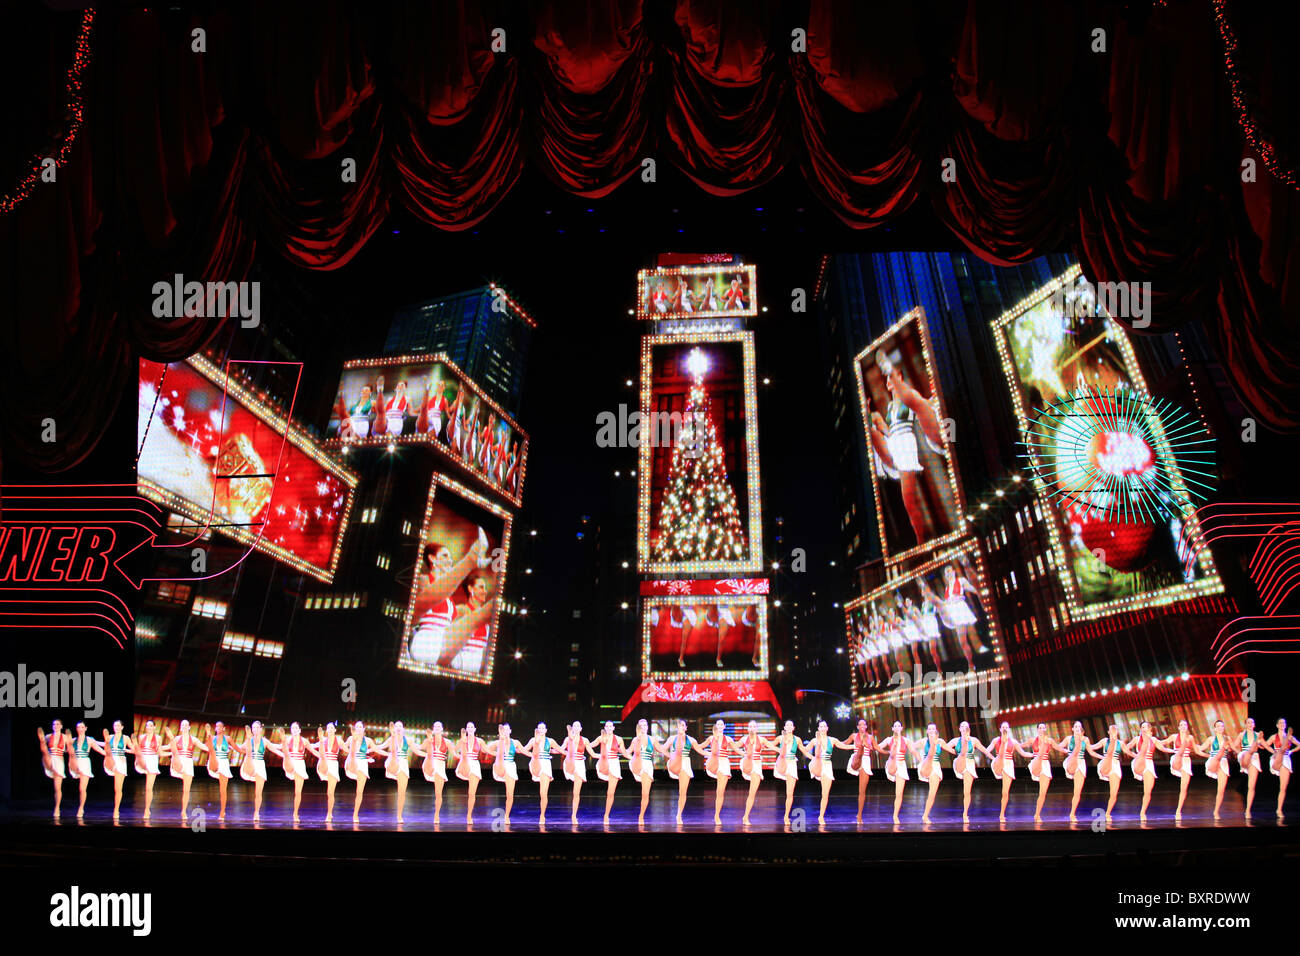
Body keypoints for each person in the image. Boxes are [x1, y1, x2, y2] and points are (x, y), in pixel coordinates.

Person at [1121, 721, 1170, 822]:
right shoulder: (1137, 739)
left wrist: (1174, 751)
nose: (1144, 728)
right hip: (1139, 761)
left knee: (1148, 791)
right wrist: (1134, 755)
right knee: (1142, 753)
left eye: (1146, 727)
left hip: (1149, 763)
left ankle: (1142, 812)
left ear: (1150, 729)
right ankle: (1140, 757)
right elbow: (1125, 748)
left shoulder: (1154, 740)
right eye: (1142, 727)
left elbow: (1163, 748)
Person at [948, 720, 994, 824]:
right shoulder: (955, 741)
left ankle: (965, 813)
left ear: (969, 729)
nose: (964, 728)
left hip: (969, 765)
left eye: (966, 726)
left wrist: (993, 758)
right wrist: (954, 752)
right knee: (962, 755)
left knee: (967, 792)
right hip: (959, 762)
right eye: (962, 726)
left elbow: (984, 750)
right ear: (960, 729)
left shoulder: (974, 740)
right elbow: (945, 746)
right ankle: (961, 754)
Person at [989, 721, 1032, 823]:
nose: (1005, 729)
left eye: (1006, 727)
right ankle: (999, 758)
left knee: (1005, 792)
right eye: (1003, 727)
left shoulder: (1014, 742)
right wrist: (992, 758)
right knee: (1000, 756)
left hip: (1008, 764)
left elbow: (1023, 753)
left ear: (1008, 729)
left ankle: (1002, 814)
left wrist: (1036, 755)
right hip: (998, 761)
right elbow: (987, 750)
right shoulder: (996, 740)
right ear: (1000, 729)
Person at [166, 719, 209, 821]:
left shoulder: (193, 739)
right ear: (181, 727)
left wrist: (215, 747)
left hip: (188, 764)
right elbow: (168, 747)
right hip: (178, 761)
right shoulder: (176, 739)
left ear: (189, 727)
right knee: (175, 753)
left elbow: (205, 747)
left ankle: (184, 811)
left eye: (186, 725)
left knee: (186, 790)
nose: (184, 727)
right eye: (182, 725)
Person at [734, 720, 775, 827]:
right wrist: (743, 753)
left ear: (757, 728)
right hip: (747, 763)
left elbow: (773, 747)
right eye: (750, 726)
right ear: (748, 729)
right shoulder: (744, 739)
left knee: (752, 793)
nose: (752, 728)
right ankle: (746, 816)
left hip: (756, 766)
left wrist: (786, 752)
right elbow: (733, 746)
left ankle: (746, 816)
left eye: (754, 726)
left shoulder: (761, 739)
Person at [520, 722, 561, 824]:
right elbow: (523, 750)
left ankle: (542, 815)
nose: (541, 730)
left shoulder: (550, 741)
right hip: (536, 763)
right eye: (539, 728)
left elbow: (560, 750)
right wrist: (531, 755)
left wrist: (552, 752)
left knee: (543, 793)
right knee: (536, 757)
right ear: (537, 730)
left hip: (546, 765)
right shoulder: (533, 740)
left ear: (546, 730)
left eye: (543, 728)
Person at [1193, 719, 1235, 819]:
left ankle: (1216, 812)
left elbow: (1234, 748)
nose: (1220, 728)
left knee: (1221, 790)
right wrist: (1206, 754)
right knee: (1217, 757)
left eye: (1222, 726)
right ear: (1215, 729)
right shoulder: (1211, 739)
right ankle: (1220, 752)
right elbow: (1199, 750)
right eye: (1218, 726)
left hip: (1223, 763)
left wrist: (1241, 753)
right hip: (1213, 761)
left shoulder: (1227, 739)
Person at [343, 720, 383, 823]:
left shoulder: (368, 740)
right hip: (352, 761)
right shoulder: (351, 738)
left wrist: (389, 754)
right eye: (357, 727)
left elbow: (377, 749)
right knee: (354, 761)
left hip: (362, 764)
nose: (358, 729)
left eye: (360, 727)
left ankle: (355, 814)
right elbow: (343, 746)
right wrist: (351, 752)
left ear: (364, 729)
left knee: (359, 791)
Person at [702, 719, 741, 826]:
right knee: (718, 791)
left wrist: (745, 754)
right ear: (716, 726)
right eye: (717, 724)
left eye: (721, 724)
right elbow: (700, 747)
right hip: (714, 762)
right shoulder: (711, 738)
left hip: (724, 764)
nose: (719, 726)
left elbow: (736, 749)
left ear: (724, 726)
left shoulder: (728, 739)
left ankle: (717, 815)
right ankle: (717, 815)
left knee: (720, 792)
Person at [664, 720, 703, 825]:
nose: (681, 727)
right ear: (677, 727)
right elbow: (662, 749)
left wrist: (712, 754)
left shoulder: (691, 740)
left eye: (683, 725)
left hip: (685, 763)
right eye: (679, 725)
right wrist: (670, 756)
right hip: (675, 762)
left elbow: (700, 750)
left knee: (683, 792)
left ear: (686, 728)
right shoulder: (672, 739)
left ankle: (679, 815)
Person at [914, 723, 954, 825]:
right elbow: (911, 747)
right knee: (930, 756)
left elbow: (952, 750)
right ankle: (932, 747)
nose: (931, 730)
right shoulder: (923, 741)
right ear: (927, 731)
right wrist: (919, 759)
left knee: (932, 794)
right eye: (929, 729)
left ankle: (925, 815)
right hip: (926, 764)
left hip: (935, 767)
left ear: (936, 732)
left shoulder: (940, 741)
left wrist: (963, 750)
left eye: (933, 729)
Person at [625, 718, 662, 826]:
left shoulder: (652, 739)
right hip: (637, 763)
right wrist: (627, 755)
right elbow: (627, 752)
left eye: (645, 725)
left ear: (647, 727)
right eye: (641, 726)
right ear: (638, 728)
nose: (643, 727)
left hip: (647, 766)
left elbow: (661, 749)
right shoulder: (635, 740)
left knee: (645, 794)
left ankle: (641, 816)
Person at [377, 721, 416, 823]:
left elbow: (417, 750)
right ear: (394, 729)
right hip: (393, 761)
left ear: (403, 728)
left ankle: (399, 816)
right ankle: (393, 756)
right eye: (396, 726)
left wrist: (429, 754)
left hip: (403, 764)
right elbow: (380, 747)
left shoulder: (408, 739)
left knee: (401, 792)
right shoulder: (391, 739)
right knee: (393, 754)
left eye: (400, 726)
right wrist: (368, 749)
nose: (398, 727)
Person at [1053, 721, 1091, 822]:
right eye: (1076, 726)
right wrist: (1059, 748)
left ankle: (1072, 813)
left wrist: (1103, 756)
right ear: (1073, 729)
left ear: (1081, 729)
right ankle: (1074, 753)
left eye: (1079, 726)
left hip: (1081, 763)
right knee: (1074, 754)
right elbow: (1058, 746)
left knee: (1077, 791)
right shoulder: (1069, 739)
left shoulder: (1085, 739)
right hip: (1070, 761)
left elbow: (1091, 750)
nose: (1078, 728)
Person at [487, 723, 525, 825]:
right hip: (500, 764)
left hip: (511, 766)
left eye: (507, 730)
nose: (506, 732)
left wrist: (538, 755)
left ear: (510, 731)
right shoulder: (497, 742)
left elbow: (525, 751)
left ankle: (506, 816)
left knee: (510, 795)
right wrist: (497, 754)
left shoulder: (515, 742)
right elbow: (486, 749)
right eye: (504, 730)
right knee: (500, 750)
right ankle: (499, 759)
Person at [560, 722, 597, 824]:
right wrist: (547, 750)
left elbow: (593, 754)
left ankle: (574, 815)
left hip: (580, 765)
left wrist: (604, 755)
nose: (576, 728)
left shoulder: (585, 740)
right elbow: (560, 749)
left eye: (577, 726)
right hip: (570, 762)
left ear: (580, 728)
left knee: (576, 793)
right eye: (574, 726)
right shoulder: (568, 739)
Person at [877, 720, 913, 825]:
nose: (897, 727)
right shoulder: (889, 739)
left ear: (901, 728)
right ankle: (892, 755)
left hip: (901, 765)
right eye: (895, 726)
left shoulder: (906, 740)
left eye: (899, 726)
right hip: (892, 763)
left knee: (899, 793)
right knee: (893, 757)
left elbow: (913, 750)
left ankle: (895, 815)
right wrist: (886, 752)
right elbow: (878, 747)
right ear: (893, 729)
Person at [1086, 725, 1125, 822]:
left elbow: (1130, 752)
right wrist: (1083, 742)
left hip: (1115, 766)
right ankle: (1108, 757)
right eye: (1111, 730)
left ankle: (1108, 813)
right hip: (1106, 763)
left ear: (1117, 732)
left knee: (1114, 793)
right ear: (1108, 732)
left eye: (1115, 730)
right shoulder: (1104, 741)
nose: (1113, 731)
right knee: (1109, 756)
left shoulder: (1121, 743)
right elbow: (1092, 747)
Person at [1160, 719, 1196, 821]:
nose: (1183, 726)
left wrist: (1209, 754)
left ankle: (1178, 810)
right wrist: (1153, 741)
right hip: (1177, 759)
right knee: (1179, 755)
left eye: (1185, 724)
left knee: (1184, 788)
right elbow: (1163, 742)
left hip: (1186, 761)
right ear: (1179, 727)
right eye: (1181, 725)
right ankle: (1179, 753)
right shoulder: (1174, 737)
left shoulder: (1191, 738)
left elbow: (1197, 749)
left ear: (1187, 727)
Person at [592, 721, 625, 825]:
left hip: (614, 764)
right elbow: (589, 745)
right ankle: (606, 815)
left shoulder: (619, 739)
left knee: (610, 793)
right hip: (604, 762)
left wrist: (635, 757)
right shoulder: (600, 738)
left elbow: (625, 752)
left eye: (611, 726)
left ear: (613, 728)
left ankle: (606, 815)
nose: (609, 728)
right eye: (607, 726)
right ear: (605, 728)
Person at [418, 721, 452, 824]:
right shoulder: (429, 740)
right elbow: (418, 748)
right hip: (430, 763)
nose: (437, 727)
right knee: (429, 744)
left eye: (439, 726)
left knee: (438, 793)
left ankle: (436, 815)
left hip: (440, 766)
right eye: (435, 726)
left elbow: (455, 752)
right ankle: (430, 758)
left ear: (442, 729)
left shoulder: (447, 742)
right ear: (433, 729)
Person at [454, 721, 488, 825]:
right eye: (468, 727)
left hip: (474, 765)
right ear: (466, 729)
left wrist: (499, 752)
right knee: (470, 792)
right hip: (464, 763)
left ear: (474, 729)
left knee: (471, 793)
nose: (469, 728)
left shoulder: (480, 741)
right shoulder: (462, 740)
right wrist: (460, 756)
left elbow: (486, 751)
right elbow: (454, 751)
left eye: (471, 727)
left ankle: (469, 815)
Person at [99, 720, 134, 819]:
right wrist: (94, 742)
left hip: (121, 762)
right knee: (108, 752)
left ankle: (116, 809)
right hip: (111, 759)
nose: (116, 727)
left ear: (122, 727)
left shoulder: (126, 738)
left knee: (117, 789)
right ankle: (109, 759)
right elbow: (103, 744)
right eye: (115, 725)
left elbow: (133, 749)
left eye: (118, 726)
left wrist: (127, 750)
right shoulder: (109, 737)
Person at [1023, 723, 1057, 823]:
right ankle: (1038, 758)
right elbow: (1020, 746)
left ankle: (1037, 815)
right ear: (1037, 729)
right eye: (1040, 728)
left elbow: (1059, 747)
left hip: (1045, 765)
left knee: (1042, 793)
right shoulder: (1032, 740)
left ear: (1045, 729)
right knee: (1038, 758)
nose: (1042, 729)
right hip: (1036, 763)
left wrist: (1069, 751)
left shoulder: (1049, 740)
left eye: (1043, 727)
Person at [1264, 717, 1298, 819]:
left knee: (1283, 787)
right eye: (1280, 723)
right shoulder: (1274, 737)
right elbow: (1265, 745)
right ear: (1277, 725)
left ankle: (1279, 809)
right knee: (1280, 751)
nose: (1282, 724)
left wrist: (1291, 751)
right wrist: (1273, 752)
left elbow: (1299, 745)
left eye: (1284, 723)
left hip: (1286, 760)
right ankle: (1281, 750)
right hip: (1276, 759)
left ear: (1285, 725)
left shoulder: (1290, 737)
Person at [772, 720, 802, 826]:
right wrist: (780, 751)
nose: (789, 727)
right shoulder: (780, 738)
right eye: (787, 725)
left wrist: (814, 757)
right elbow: (770, 745)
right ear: (784, 727)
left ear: (793, 728)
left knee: (790, 793)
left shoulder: (797, 739)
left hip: (792, 764)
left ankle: (786, 816)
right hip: (782, 762)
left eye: (791, 725)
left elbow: (804, 750)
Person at [36, 720, 69, 818]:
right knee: (45, 751)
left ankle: (57, 807)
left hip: (59, 761)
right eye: (54, 724)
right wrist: (43, 741)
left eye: (58, 724)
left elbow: (69, 749)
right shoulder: (48, 736)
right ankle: (42, 742)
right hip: (50, 758)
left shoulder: (65, 737)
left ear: (61, 726)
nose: (56, 726)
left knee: (57, 788)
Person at [134, 719, 164, 821]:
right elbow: (138, 750)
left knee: (148, 788)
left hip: (152, 760)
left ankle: (147, 809)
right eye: (147, 726)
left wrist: (173, 752)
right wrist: (137, 758)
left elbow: (160, 752)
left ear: (154, 727)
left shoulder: (158, 738)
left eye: (151, 726)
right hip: (143, 759)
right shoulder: (141, 737)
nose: (149, 728)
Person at [313, 722, 342, 823]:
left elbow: (349, 749)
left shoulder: (339, 740)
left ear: (335, 730)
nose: (329, 729)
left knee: (330, 793)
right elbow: (311, 747)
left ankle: (329, 814)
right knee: (322, 753)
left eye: (331, 728)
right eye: (328, 728)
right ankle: (323, 760)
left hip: (333, 765)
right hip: (324, 764)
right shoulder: (323, 740)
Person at [66, 721, 96, 819]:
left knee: (82, 788)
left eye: (82, 727)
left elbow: (100, 748)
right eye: (78, 727)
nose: (80, 729)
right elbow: (66, 750)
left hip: (85, 763)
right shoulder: (73, 740)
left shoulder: (89, 740)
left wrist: (110, 753)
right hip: (74, 762)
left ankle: (81, 807)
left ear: (86, 728)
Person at [1238, 717, 1264, 816]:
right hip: (1244, 755)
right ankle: (1251, 749)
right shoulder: (1241, 735)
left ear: (1254, 725)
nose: (1250, 724)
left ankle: (1248, 810)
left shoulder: (1257, 734)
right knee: (1248, 752)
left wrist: (1275, 752)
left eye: (1252, 722)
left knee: (1251, 786)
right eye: (1248, 722)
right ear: (1245, 724)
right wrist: (1237, 752)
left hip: (1254, 758)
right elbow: (1234, 745)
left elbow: (1265, 745)